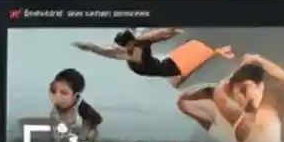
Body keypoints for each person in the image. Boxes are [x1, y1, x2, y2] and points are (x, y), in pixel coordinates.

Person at [73, 28, 233, 87]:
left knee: (146, 36)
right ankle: (216, 52)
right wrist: (85, 45)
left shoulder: (136, 40)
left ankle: (176, 80)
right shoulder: (122, 52)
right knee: (195, 50)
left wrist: (171, 33)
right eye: (126, 47)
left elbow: (158, 36)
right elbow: (99, 49)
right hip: (159, 68)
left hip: (153, 64)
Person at [48, 68, 102, 142]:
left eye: (64, 93)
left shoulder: (84, 114)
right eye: (53, 91)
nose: (57, 97)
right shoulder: (56, 109)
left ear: (75, 95)